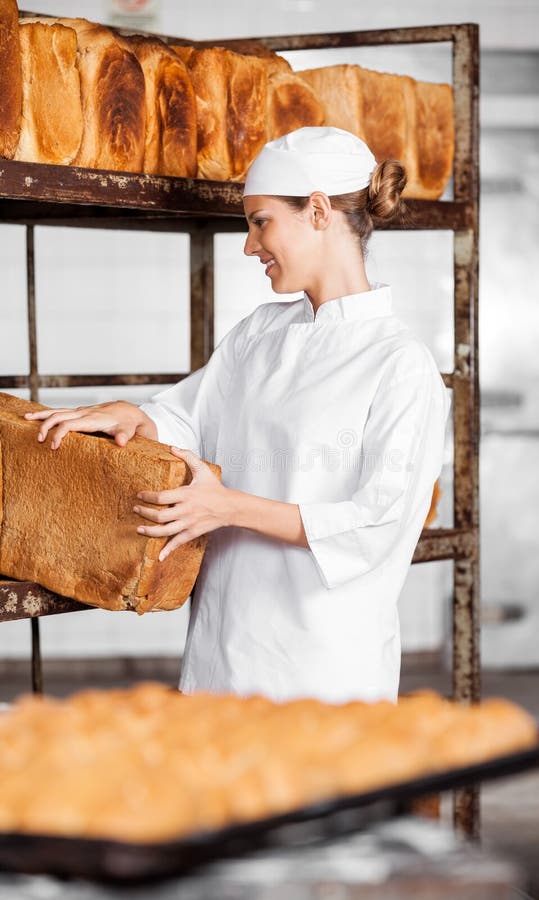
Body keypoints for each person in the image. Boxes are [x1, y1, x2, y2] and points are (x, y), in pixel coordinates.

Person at [25, 127, 450, 704]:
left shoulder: (400, 363)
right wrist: (132, 417)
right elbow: (190, 420)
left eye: (260, 222)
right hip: (224, 642)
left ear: (319, 211)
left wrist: (229, 507)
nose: (250, 247)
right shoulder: (261, 332)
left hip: (323, 660)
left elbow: (377, 526)